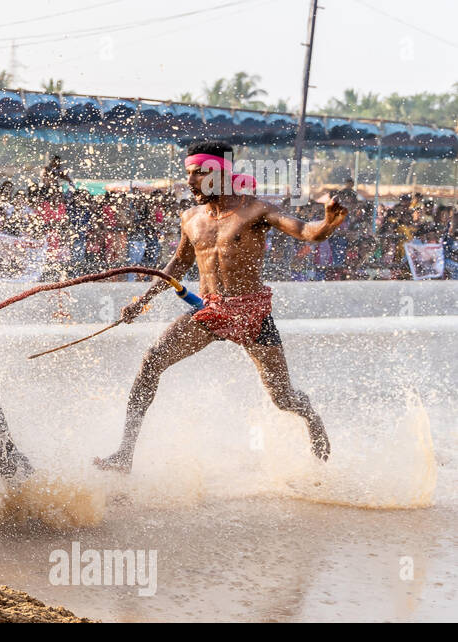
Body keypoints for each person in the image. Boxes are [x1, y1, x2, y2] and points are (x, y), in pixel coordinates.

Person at [95, 141, 347, 472]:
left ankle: (311, 417)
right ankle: (124, 455)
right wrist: (141, 301)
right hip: (211, 311)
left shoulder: (255, 210)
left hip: (252, 313)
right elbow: (176, 265)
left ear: (222, 174)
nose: (190, 180)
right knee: (152, 362)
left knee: (283, 397)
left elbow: (306, 231)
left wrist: (327, 225)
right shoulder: (191, 218)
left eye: (199, 173)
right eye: (188, 173)